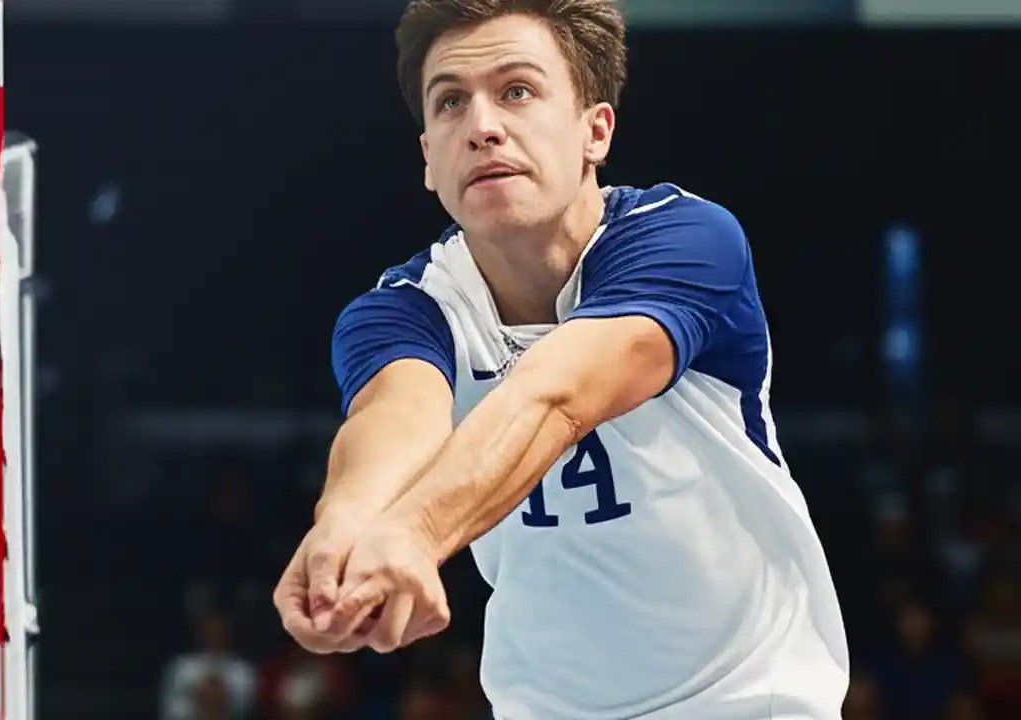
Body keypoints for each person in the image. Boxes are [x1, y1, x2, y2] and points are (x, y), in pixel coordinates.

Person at [271, 1, 851, 717]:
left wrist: (415, 532)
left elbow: (559, 394)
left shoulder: (687, 240)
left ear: (594, 130)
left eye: (517, 90)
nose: (482, 126)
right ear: (428, 157)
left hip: (749, 696)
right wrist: (344, 529)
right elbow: (395, 417)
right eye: (450, 102)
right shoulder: (402, 308)